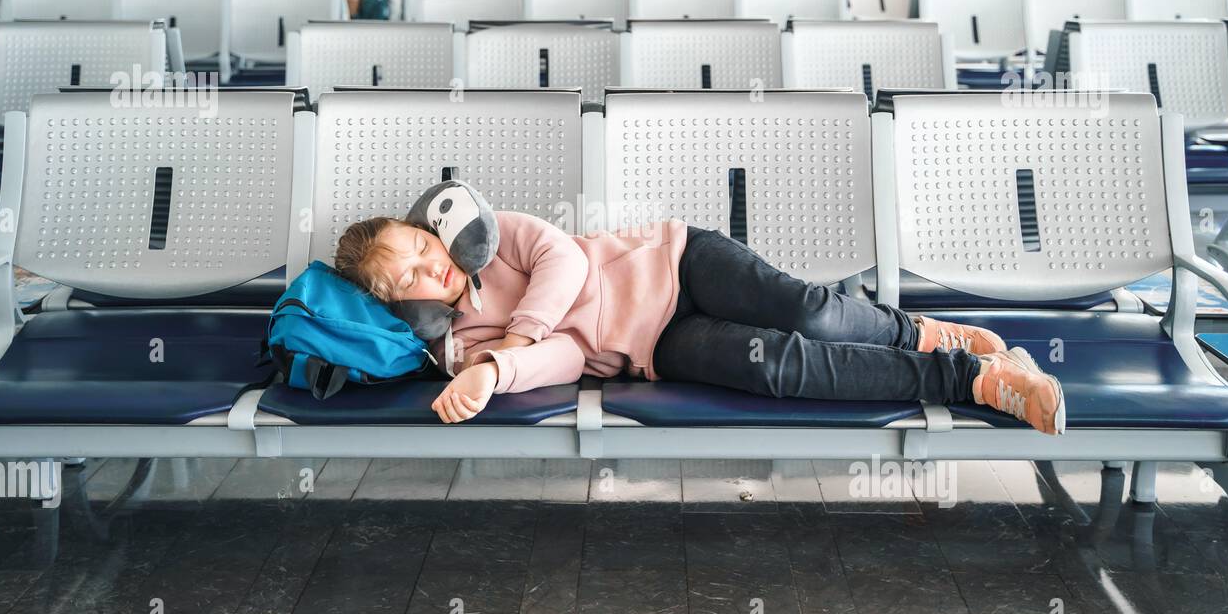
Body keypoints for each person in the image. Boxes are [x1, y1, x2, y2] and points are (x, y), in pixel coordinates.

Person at [333, 212, 1065, 433]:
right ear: (395, 302)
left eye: (425, 251)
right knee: (777, 366)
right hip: (657, 346)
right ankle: (975, 380)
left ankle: (922, 333)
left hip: (679, 262)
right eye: (408, 280)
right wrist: (496, 372)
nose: (432, 271)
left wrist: (518, 334)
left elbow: (567, 263)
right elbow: (561, 360)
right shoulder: (460, 344)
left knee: (805, 310)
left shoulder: (498, 235)